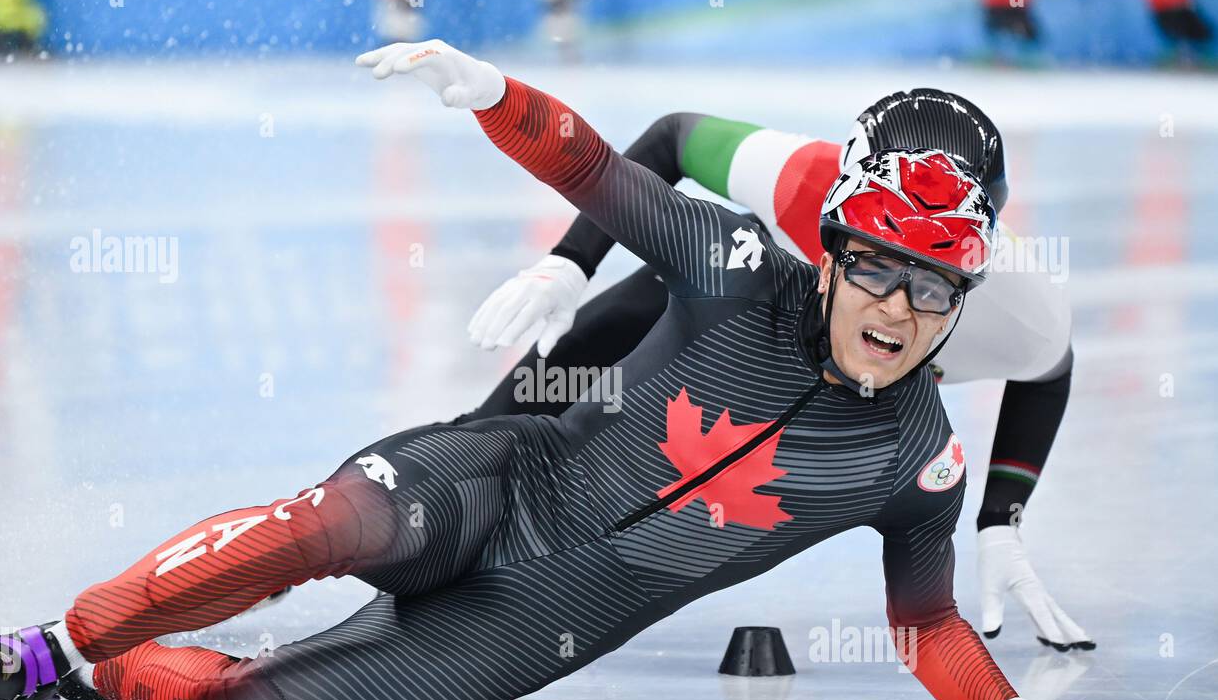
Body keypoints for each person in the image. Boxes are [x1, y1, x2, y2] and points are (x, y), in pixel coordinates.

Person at [0, 40, 1164, 700]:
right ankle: (42, 650)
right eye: (878, 272)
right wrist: (490, 96)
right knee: (335, 528)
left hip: (544, 624)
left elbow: (926, 624)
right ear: (829, 244)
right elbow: (610, 163)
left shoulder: (920, 453)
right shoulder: (745, 256)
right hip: (510, 480)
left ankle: (102, 674)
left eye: (934, 291)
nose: (898, 314)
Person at [460, 88, 1091, 651]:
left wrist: (999, 520)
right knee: (561, 374)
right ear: (842, 192)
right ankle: (456, 467)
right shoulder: (801, 180)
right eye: (876, 227)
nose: (903, 243)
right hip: (756, 299)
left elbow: (1047, 373)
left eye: (933, 272)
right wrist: (572, 262)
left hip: (842, 376)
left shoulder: (1025, 310)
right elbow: (674, 137)